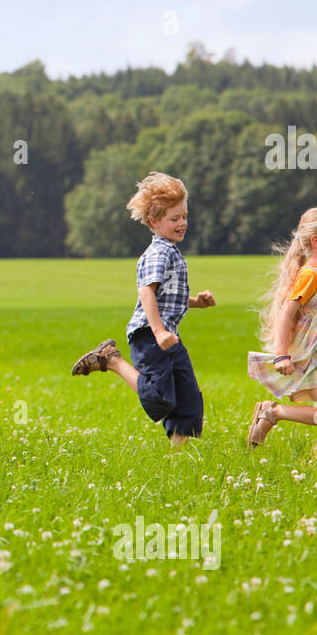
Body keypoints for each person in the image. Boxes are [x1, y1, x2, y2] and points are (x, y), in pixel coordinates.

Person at [71, 172, 215, 447]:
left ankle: (180, 461)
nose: (182, 223)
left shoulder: (171, 250)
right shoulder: (159, 253)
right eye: (174, 219)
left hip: (167, 337)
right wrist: (158, 331)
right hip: (149, 336)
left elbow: (167, 297)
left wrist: (196, 302)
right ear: (154, 221)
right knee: (160, 396)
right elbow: (147, 292)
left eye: (184, 216)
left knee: (189, 401)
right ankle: (111, 359)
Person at [246, 207, 317, 454]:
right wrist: (281, 354)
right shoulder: (310, 275)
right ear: (316, 241)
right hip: (310, 360)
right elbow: (286, 314)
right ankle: (273, 412)